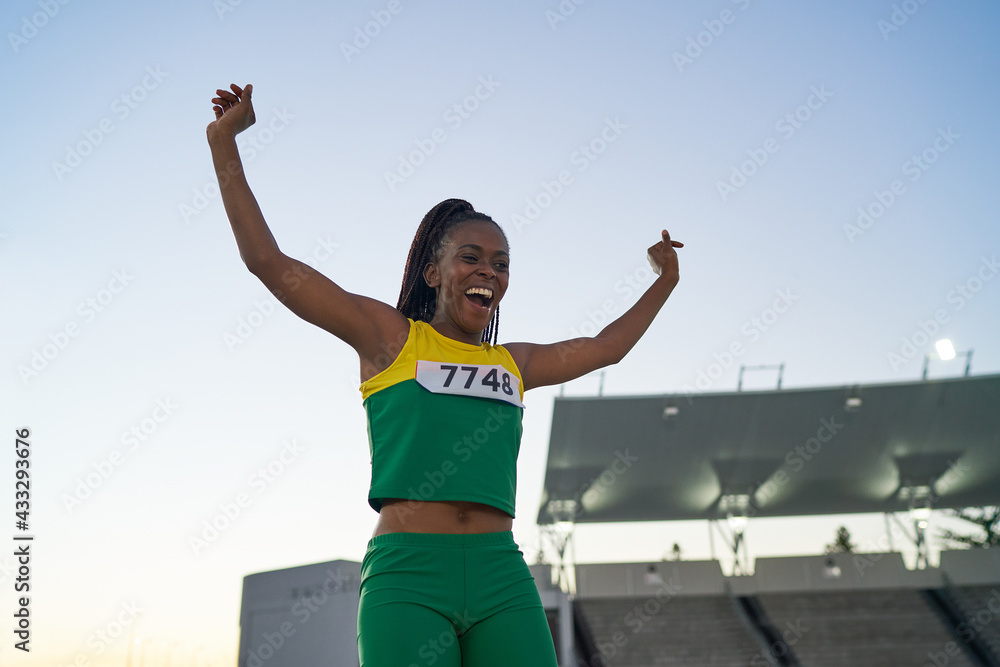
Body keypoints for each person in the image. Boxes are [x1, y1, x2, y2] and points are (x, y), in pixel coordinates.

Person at [207, 83, 683, 667]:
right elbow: (271, 264)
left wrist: (663, 283)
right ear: (433, 272)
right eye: (472, 257)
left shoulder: (514, 363)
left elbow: (607, 347)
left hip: (501, 575)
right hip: (408, 575)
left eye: (501, 263)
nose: (489, 271)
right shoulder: (390, 339)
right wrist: (223, 141)